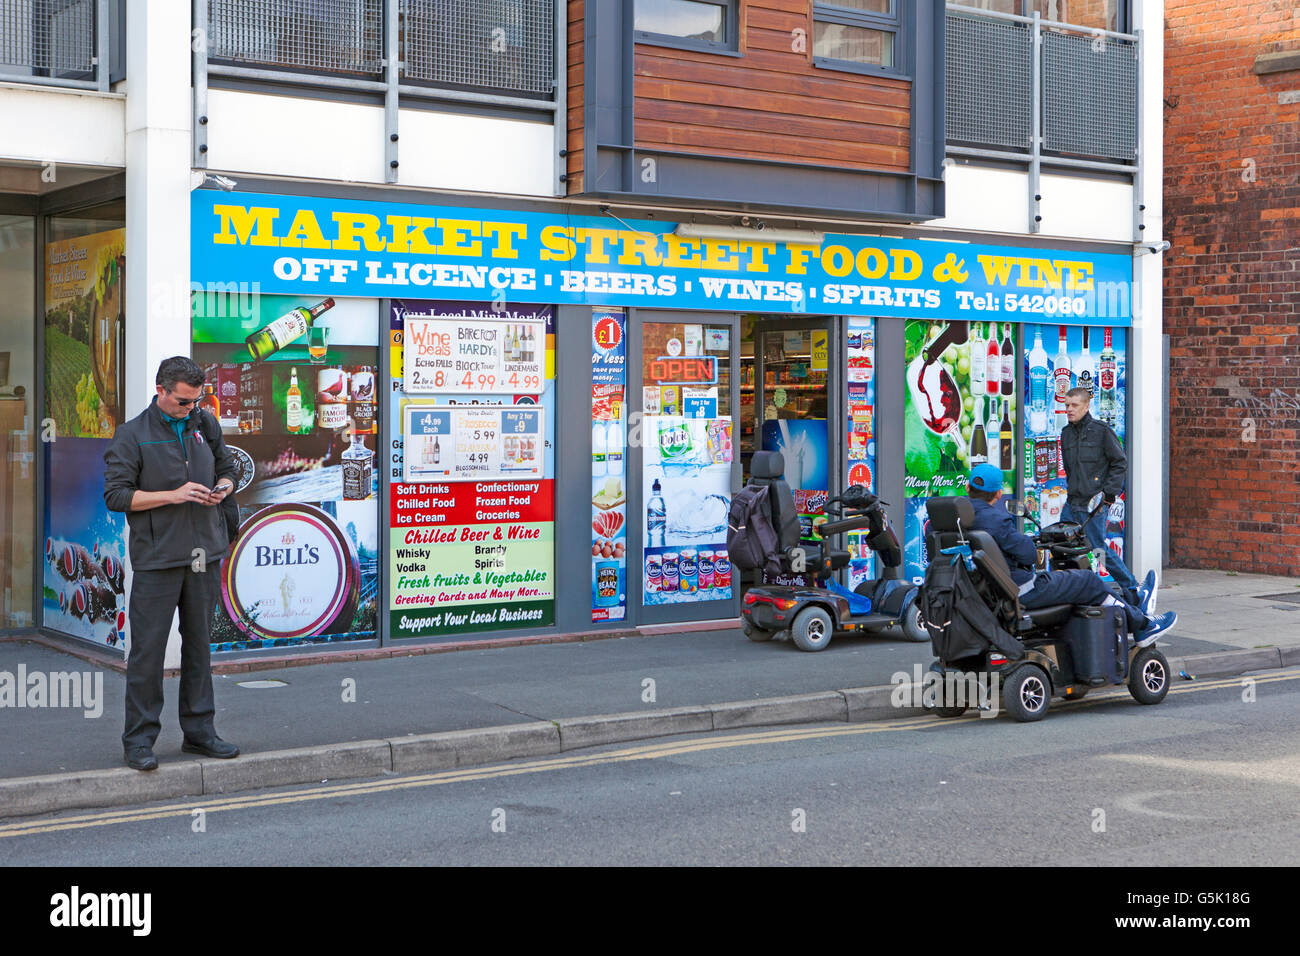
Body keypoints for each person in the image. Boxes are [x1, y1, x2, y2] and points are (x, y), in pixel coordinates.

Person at [104, 357, 241, 771]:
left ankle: (200, 734)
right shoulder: (132, 435)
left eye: (195, 401)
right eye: (183, 401)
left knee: (200, 647)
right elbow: (116, 496)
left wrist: (223, 487)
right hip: (158, 558)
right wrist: (173, 494)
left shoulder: (205, 423)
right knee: (148, 653)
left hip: (205, 553)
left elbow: (228, 467)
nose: (191, 408)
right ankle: (140, 741)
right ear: (161, 390)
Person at [965, 464, 1175, 643]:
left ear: (968, 488)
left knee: (1075, 582)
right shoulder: (996, 520)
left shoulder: (956, 520)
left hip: (985, 593)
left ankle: (1135, 609)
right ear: (999, 493)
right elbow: (1028, 555)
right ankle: (1142, 625)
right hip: (1020, 590)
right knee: (1088, 581)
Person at [1059, 387, 1157, 609]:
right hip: (1072, 502)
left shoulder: (1101, 431)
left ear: (1086, 406)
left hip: (1094, 504)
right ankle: (1079, 591)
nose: (1069, 410)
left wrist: (1109, 494)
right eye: (1066, 405)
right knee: (1063, 545)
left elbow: (1119, 462)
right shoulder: (1066, 433)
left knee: (1097, 549)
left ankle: (1132, 588)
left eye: (1074, 405)